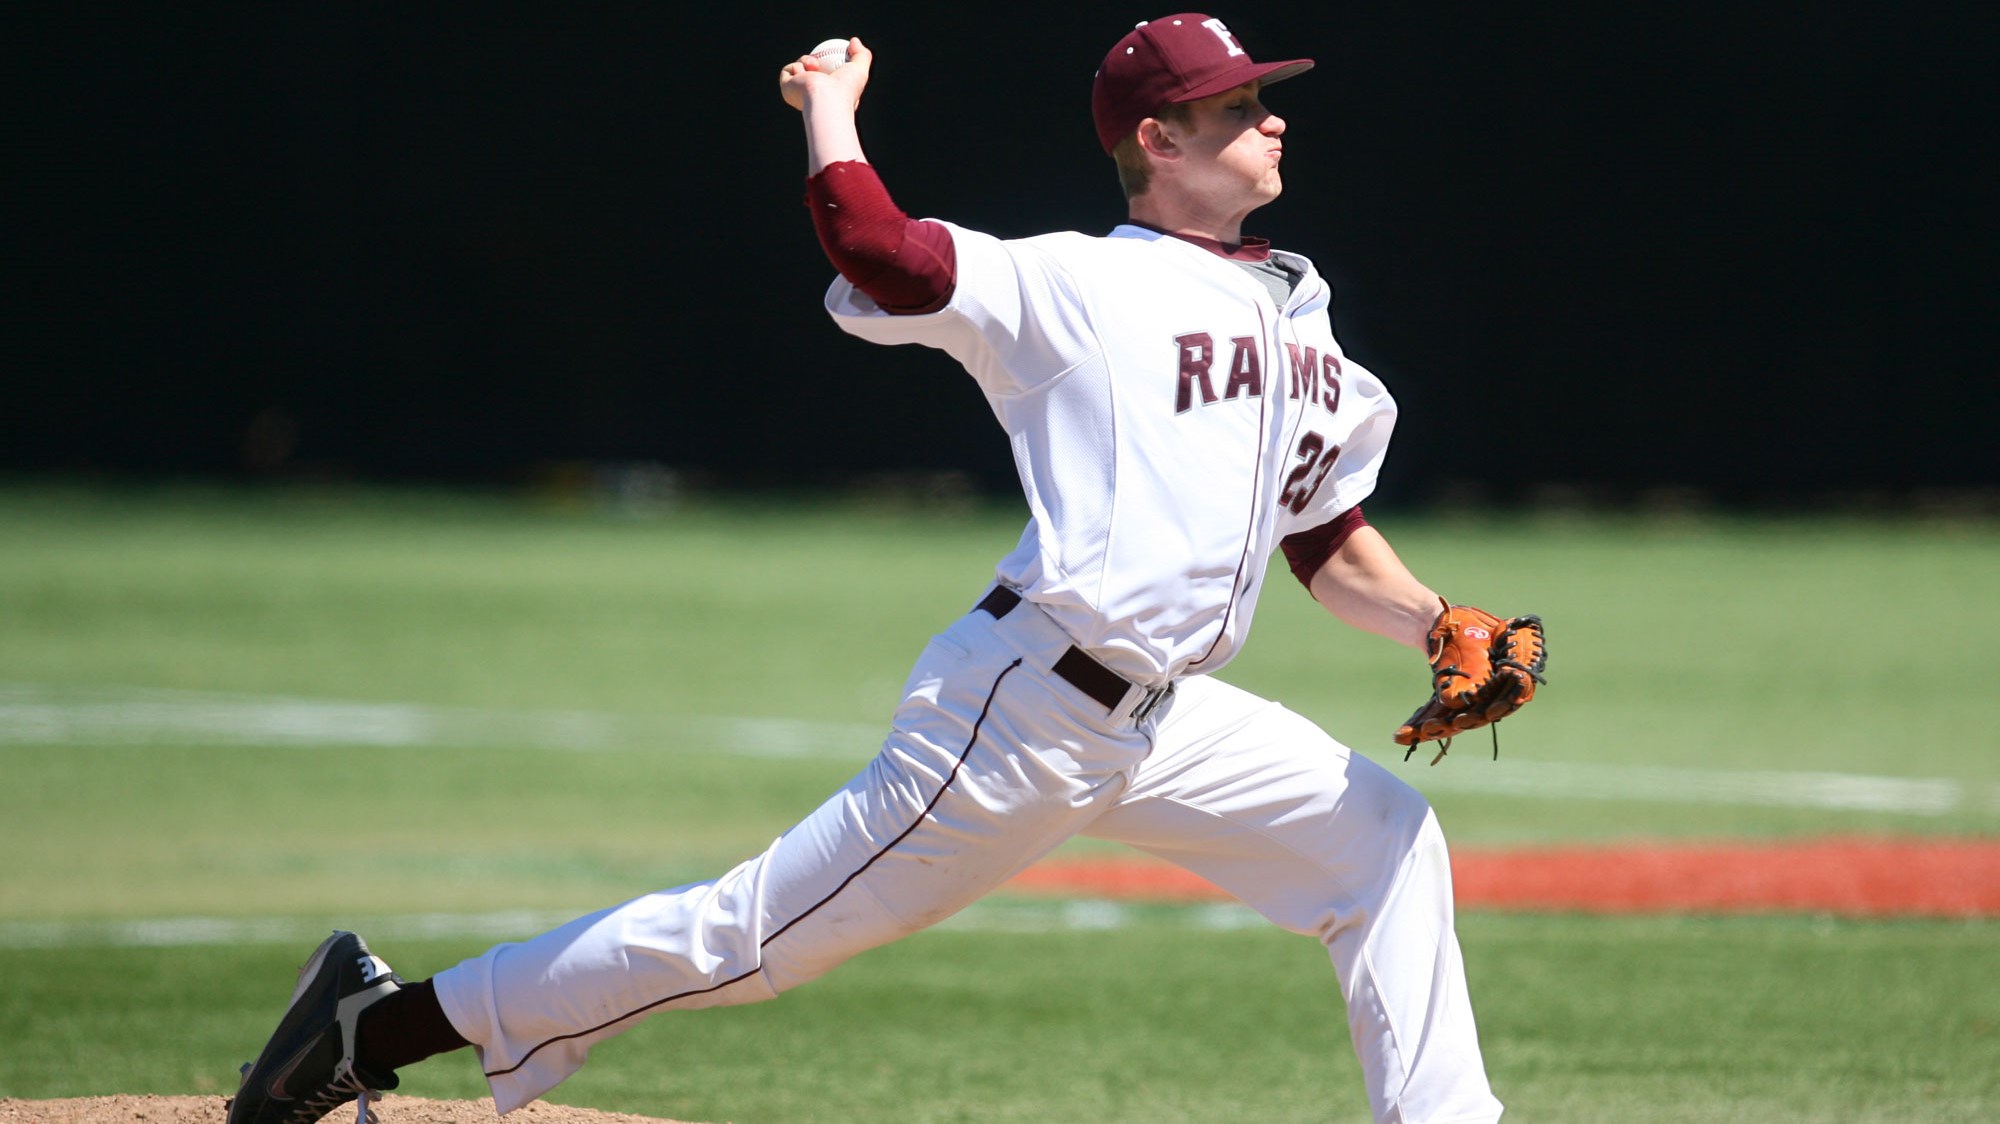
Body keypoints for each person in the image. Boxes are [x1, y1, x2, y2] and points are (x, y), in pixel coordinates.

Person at [227, 14, 1521, 1124]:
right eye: (1235, 107)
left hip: (1168, 718)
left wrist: (1428, 623)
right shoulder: (1074, 286)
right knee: (744, 943)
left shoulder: (1295, 313)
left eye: (1263, 103)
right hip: (1024, 713)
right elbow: (879, 248)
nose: (1270, 123)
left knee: (1385, 844)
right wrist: (832, 107)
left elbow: (1321, 535)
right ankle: (370, 1027)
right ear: (1158, 142)